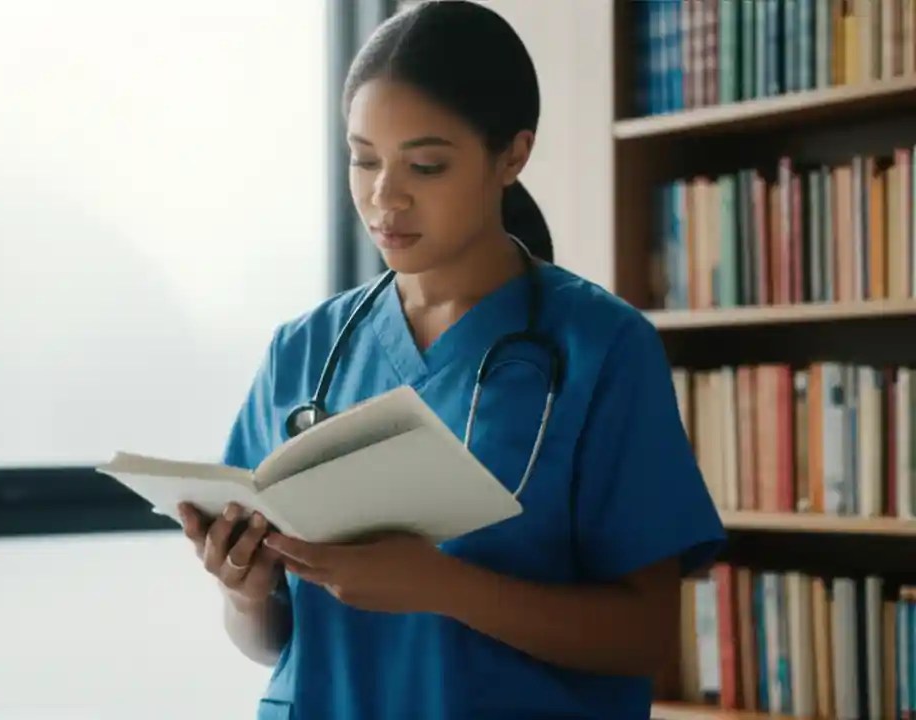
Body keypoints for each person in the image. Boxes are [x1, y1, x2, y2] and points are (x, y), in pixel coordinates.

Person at [178, 2, 726, 718]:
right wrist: (243, 591)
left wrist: (443, 587)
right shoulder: (303, 350)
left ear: (513, 156)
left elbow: (646, 635)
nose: (384, 197)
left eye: (425, 164)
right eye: (363, 157)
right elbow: (271, 640)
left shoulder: (602, 349)